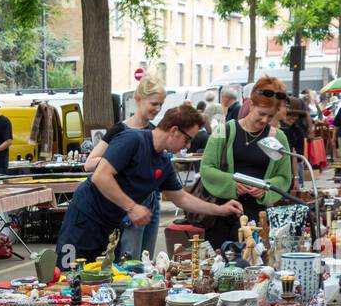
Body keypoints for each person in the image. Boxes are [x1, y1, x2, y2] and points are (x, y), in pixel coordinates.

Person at [55, 105, 243, 263]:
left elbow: (182, 198)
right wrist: (132, 207)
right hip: (83, 222)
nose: (187, 146)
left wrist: (220, 209)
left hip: (110, 228)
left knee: (99, 285)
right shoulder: (133, 139)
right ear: (174, 130)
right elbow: (100, 176)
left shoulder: (163, 161)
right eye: (187, 139)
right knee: (67, 279)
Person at [198, 76, 293, 249]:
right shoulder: (223, 131)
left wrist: (265, 187)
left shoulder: (279, 138)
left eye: (270, 116)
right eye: (261, 114)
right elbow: (206, 169)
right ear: (250, 105)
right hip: (222, 213)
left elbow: (284, 177)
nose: (264, 120)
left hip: (256, 217)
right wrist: (232, 183)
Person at [85, 75, 166, 259]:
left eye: (161, 104)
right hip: (129, 202)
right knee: (130, 261)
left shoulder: (154, 132)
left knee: (146, 261)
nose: (158, 108)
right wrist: (120, 161)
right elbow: (90, 163)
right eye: (154, 103)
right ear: (139, 99)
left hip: (152, 200)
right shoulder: (120, 130)